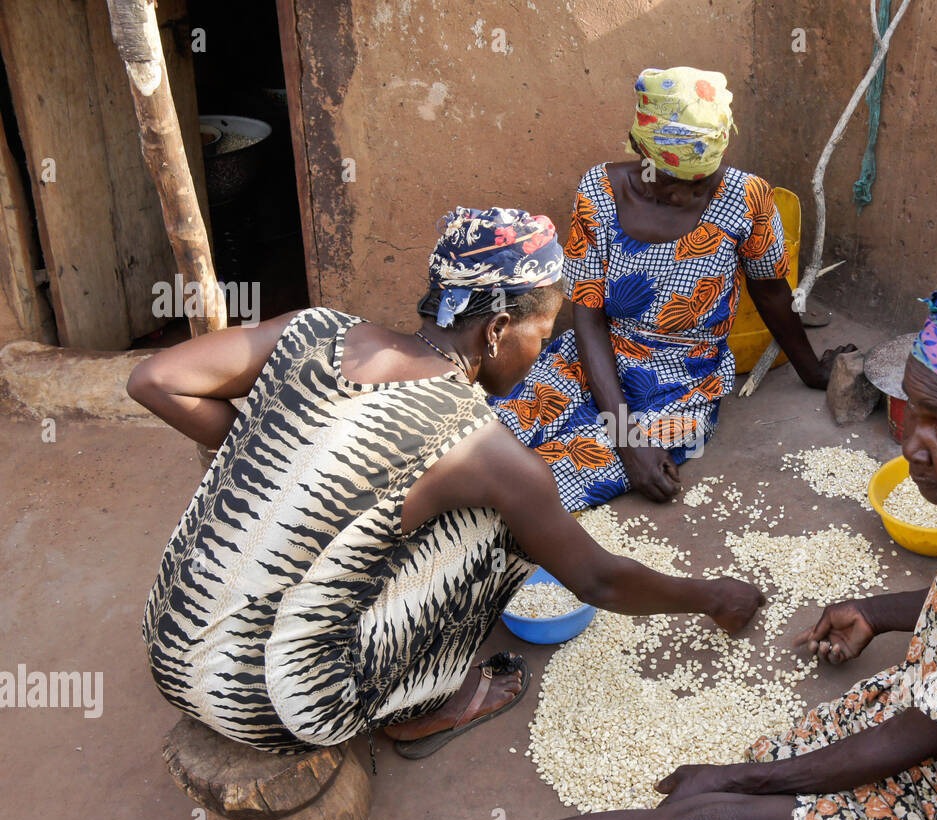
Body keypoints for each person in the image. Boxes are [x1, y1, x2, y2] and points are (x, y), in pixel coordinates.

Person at [259, 272, 937, 820]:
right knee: (704, 814)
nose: (916, 447)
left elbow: (931, 732)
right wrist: (880, 605)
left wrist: (745, 780)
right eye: (913, 414)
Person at [130, 207, 761, 760]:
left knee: (391, 511)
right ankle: (427, 701)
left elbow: (152, 381)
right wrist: (709, 596)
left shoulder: (316, 329)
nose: (542, 352)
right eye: (541, 335)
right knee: (511, 525)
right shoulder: (481, 444)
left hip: (168, 641)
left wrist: (260, 449)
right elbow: (596, 579)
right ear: (496, 330)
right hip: (275, 705)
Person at [491, 67, 855, 511]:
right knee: (492, 436)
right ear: (641, 150)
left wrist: (812, 371)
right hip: (594, 358)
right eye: (668, 180)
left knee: (555, 478)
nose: (686, 197)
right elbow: (587, 315)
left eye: (702, 182)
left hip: (683, 383)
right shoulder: (600, 191)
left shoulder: (748, 198)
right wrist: (627, 438)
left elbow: (772, 294)